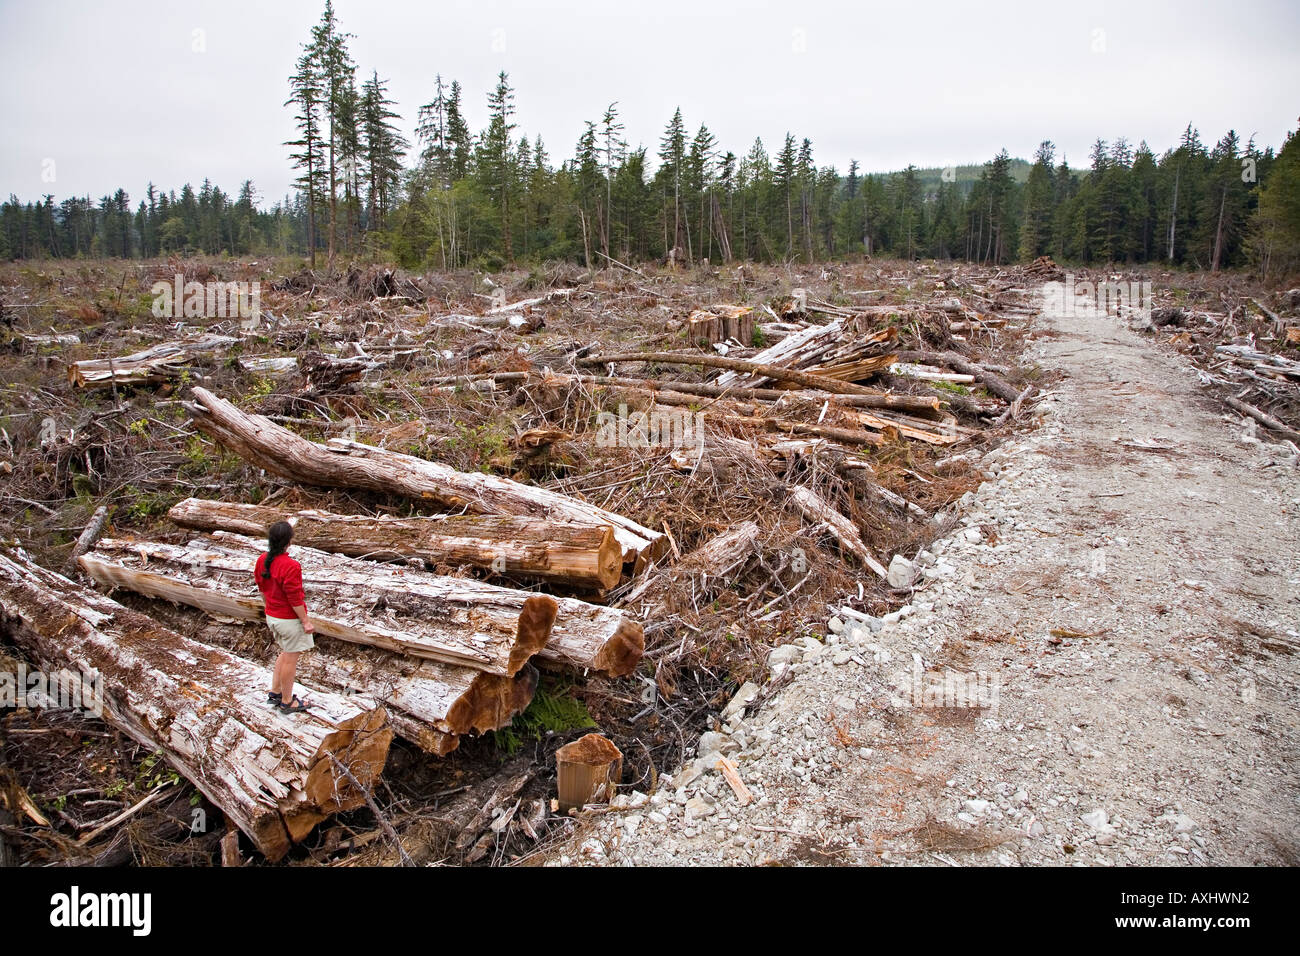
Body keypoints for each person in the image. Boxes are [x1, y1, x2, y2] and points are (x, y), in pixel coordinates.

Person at [253, 520, 314, 713]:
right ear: (289, 541)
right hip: (288, 619)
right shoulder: (291, 566)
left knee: (285, 653)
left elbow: (262, 588)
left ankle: (276, 691)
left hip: (273, 615)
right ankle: (287, 701)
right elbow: (295, 598)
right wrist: (305, 621)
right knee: (290, 659)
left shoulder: (262, 559)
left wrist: (269, 607)